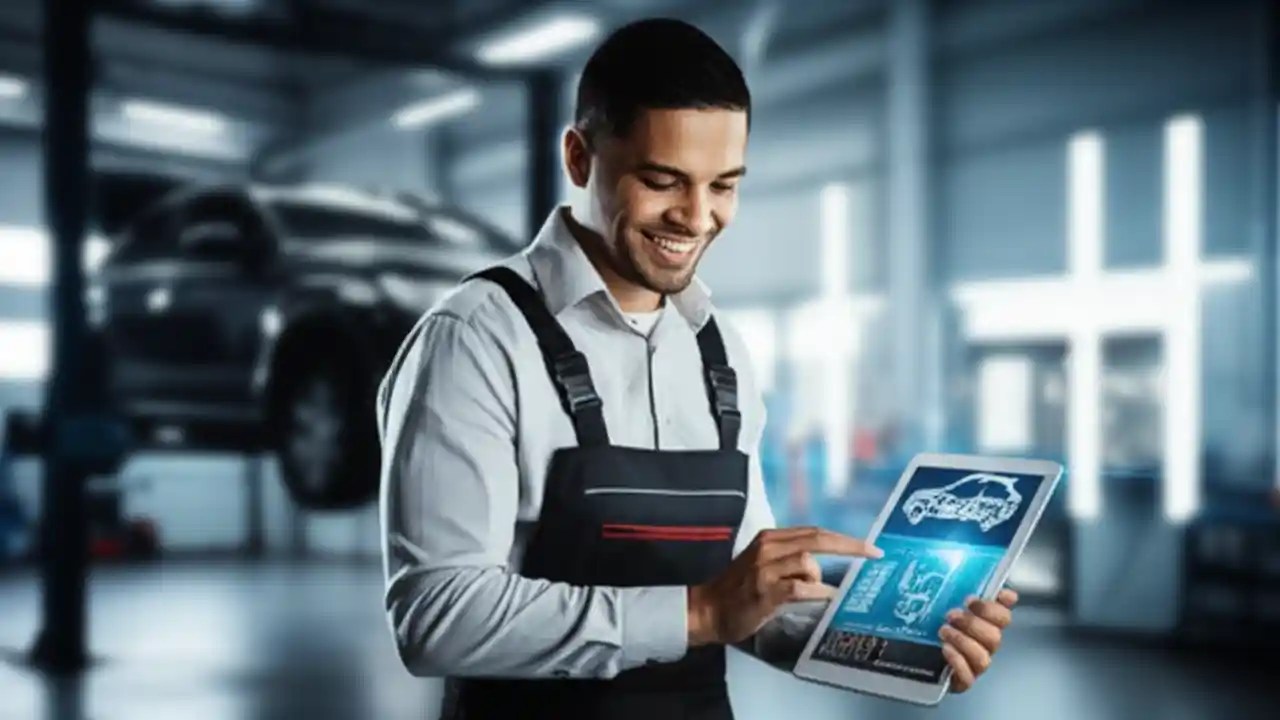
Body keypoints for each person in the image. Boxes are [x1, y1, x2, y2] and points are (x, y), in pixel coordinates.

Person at [376, 17, 1019, 720]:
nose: (697, 216)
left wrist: (904, 646)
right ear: (579, 158)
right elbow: (435, 616)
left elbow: (748, 600)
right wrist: (700, 612)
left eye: (725, 186)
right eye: (663, 181)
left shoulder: (721, 353)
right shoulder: (475, 338)